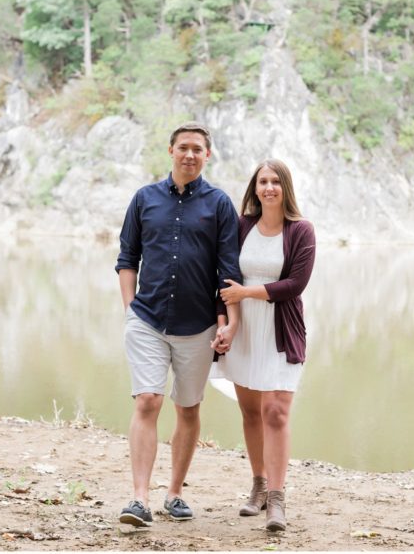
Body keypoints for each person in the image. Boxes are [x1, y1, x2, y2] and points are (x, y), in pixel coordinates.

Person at [114, 122, 242, 527]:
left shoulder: (220, 204)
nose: (189, 155)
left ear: (207, 156)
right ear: (170, 151)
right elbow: (126, 257)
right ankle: (138, 499)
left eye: (197, 149)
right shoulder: (144, 198)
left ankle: (174, 494)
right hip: (147, 319)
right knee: (148, 400)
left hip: (198, 325)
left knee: (187, 407)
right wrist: (130, 307)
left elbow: (228, 268)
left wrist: (229, 322)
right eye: (183, 147)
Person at [211, 158, 316, 532]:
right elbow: (223, 277)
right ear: (254, 188)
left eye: (275, 181)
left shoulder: (301, 231)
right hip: (244, 330)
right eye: (262, 182)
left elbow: (295, 286)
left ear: (285, 187)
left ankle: (277, 498)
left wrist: (248, 292)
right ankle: (256, 486)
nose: (269, 187)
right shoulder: (242, 227)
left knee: (276, 412)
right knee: (251, 413)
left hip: (281, 329)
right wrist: (226, 323)